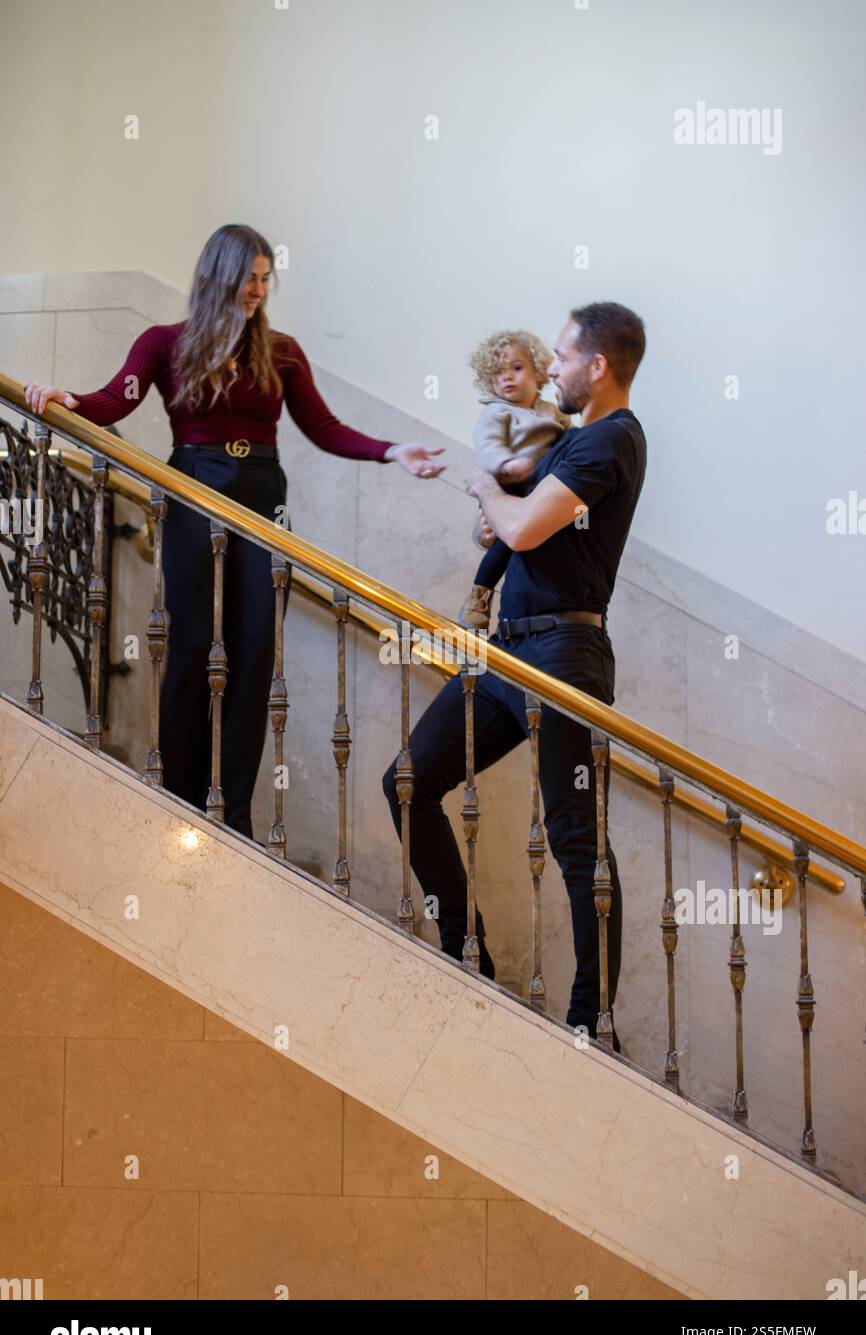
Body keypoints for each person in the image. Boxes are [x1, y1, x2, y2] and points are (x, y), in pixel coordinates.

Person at [25, 224, 444, 838]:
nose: (257, 290)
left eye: (265, 279)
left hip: (263, 494)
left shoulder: (283, 352)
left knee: (254, 652)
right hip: (194, 483)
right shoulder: (165, 343)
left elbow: (324, 428)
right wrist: (70, 400)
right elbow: (118, 398)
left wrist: (392, 450)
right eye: (249, 277)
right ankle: (178, 794)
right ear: (218, 274)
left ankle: (234, 810)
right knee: (194, 642)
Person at [383, 302, 647, 1047]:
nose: (552, 368)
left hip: (567, 654)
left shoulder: (611, 437)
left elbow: (523, 525)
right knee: (408, 782)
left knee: (574, 836)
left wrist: (487, 493)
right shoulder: (571, 441)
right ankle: (472, 960)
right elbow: (514, 525)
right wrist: (495, 509)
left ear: (597, 366)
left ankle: (592, 1023)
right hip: (509, 651)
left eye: (562, 356)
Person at [458, 330, 571, 629]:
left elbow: (569, 436)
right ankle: (480, 594)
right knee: (503, 544)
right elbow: (488, 445)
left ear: (538, 372)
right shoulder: (497, 412)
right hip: (511, 486)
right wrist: (506, 464)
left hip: (543, 485)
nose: (507, 377)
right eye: (498, 373)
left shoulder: (552, 412)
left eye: (517, 368)